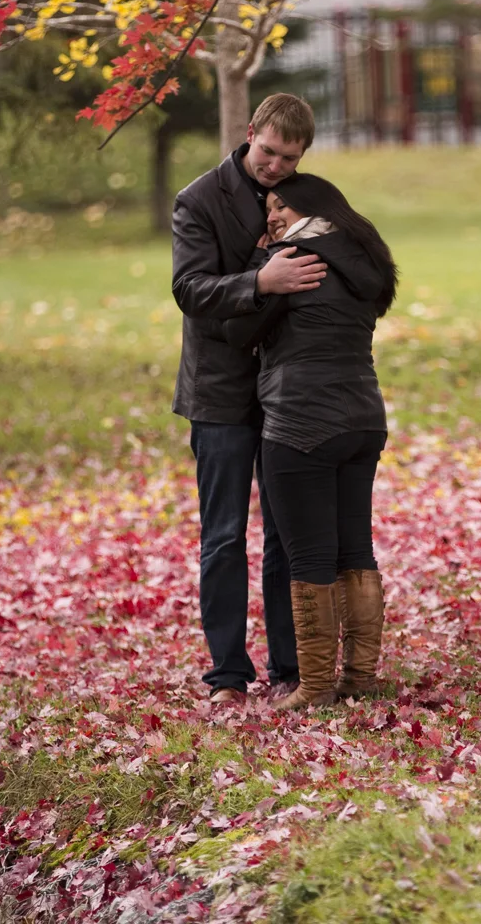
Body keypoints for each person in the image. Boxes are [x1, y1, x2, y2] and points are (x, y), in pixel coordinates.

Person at [171, 93, 328, 705]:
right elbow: (189, 289)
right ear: (249, 133)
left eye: (289, 159)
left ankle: (290, 668)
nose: (275, 167)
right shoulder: (198, 199)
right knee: (224, 535)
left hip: (287, 389)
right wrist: (261, 280)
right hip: (219, 389)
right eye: (268, 152)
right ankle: (228, 675)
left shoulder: (304, 197)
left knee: (286, 533)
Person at [225, 174, 399, 711]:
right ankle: (361, 676)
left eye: (281, 205)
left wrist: (259, 270)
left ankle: (317, 685)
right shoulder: (362, 257)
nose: (272, 216)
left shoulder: (292, 261)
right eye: (268, 208)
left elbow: (236, 333)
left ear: (311, 207)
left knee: (309, 556)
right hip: (363, 417)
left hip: (301, 420)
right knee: (356, 550)